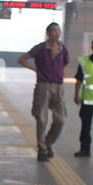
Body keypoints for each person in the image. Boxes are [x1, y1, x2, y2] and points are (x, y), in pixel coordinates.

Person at [18, 22, 70, 162]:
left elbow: (67, 63)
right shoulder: (40, 48)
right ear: (47, 33)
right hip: (43, 86)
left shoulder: (63, 48)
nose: (56, 33)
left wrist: (61, 73)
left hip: (58, 87)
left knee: (61, 119)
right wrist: (35, 70)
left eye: (58, 31)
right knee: (41, 119)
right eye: (53, 31)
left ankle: (47, 143)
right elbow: (22, 59)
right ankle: (41, 150)